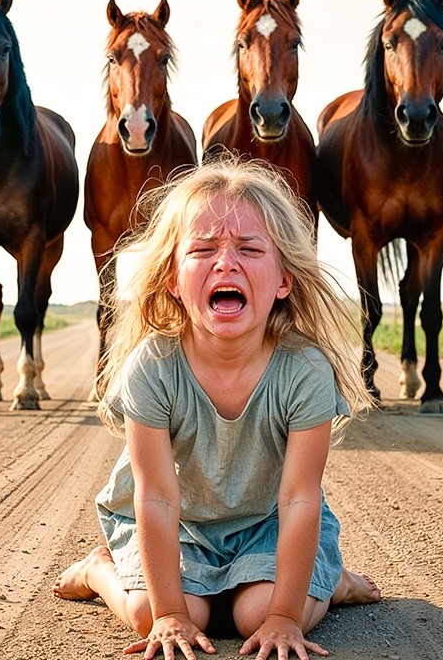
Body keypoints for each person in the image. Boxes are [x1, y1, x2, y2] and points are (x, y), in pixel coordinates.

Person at [53, 155, 381, 659]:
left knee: (258, 614)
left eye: (249, 249)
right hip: (180, 525)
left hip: (267, 521)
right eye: (203, 250)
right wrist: (169, 615)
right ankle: (101, 570)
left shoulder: (304, 370)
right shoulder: (153, 366)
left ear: (283, 282)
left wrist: (283, 620)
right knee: (155, 613)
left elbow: (298, 498)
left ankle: (331, 582)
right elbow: (157, 497)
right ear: (172, 282)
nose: (226, 262)